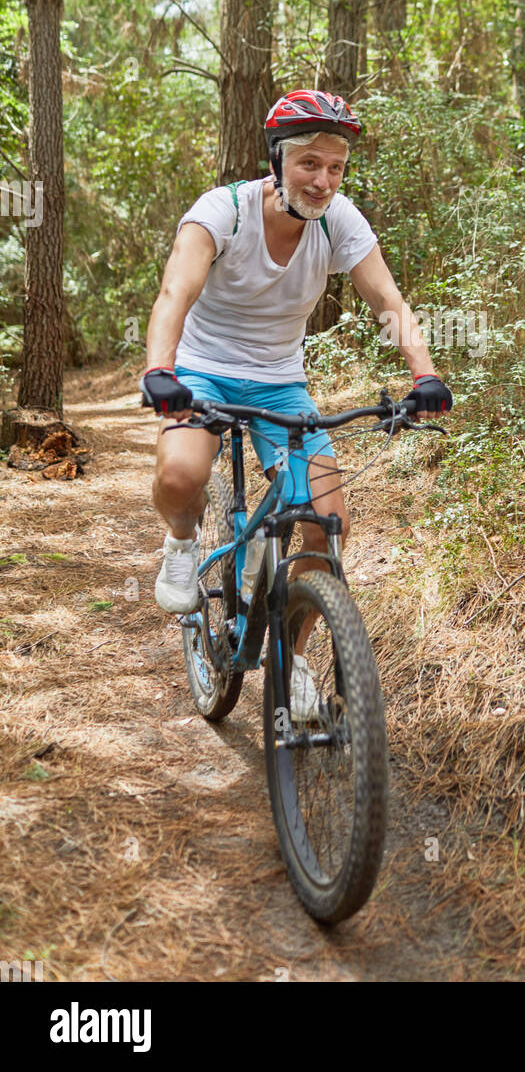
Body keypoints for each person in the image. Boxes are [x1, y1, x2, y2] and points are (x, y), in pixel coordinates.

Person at [140, 89, 452, 677]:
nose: (323, 181)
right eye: (310, 163)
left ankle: (295, 664)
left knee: (326, 526)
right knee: (182, 475)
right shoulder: (222, 212)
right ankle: (182, 543)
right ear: (277, 160)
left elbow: (386, 300)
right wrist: (161, 369)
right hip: (202, 368)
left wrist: (425, 373)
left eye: (336, 167)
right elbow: (174, 293)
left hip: (281, 381)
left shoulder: (338, 221)